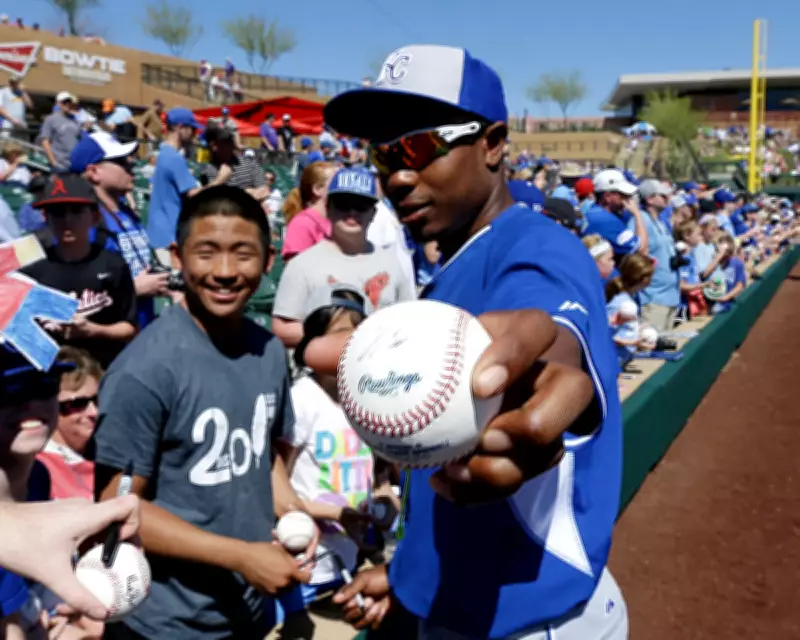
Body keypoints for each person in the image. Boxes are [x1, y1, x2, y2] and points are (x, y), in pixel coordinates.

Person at [323, 44, 625, 639]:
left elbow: (549, 337)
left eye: (417, 146)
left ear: (492, 144)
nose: (397, 176)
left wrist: (552, 372)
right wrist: (410, 575)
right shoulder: (458, 256)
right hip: (462, 596)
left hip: (528, 621)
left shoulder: (537, 247)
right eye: (382, 155)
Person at [93, 186, 315, 639]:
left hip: (249, 610)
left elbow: (260, 453)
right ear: (177, 257)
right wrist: (240, 556)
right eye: (207, 253)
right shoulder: (145, 369)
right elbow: (116, 508)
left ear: (269, 259)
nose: (226, 272)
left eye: (243, 254)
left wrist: (293, 512)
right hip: (168, 624)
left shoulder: (269, 350)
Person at [277, 285, 383, 625]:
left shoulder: (369, 397)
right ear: (312, 341)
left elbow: (377, 474)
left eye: (360, 334)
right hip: (304, 557)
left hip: (349, 554)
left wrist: (383, 503)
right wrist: (337, 512)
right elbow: (278, 484)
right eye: (340, 335)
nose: (352, 345)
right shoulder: (302, 399)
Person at [272, 167, 416, 348]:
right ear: (328, 209)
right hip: (321, 371)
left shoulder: (391, 263)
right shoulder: (302, 264)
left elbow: (409, 320)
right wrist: (340, 338)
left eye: (361, 206)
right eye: (343, 204)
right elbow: (282, 327)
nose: (352, 213)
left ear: (373, 213)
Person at [20, 174, 138, 368]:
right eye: (58, 212)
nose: (67, 219)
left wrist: (92, 330)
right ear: (45, 217)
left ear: (94, 216)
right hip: (50, 377)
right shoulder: (31, 271)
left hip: (103, 370)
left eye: (76, 211)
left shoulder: (112, 264)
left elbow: (129, 328)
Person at [70, 130, 168, 329]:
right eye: (121, 161)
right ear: (94, 172)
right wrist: (133, 289)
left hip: (141, 330)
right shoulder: (83, 223)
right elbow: (74, 291)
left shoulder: (127, 212)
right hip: (109, 341)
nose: (131, 165)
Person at [147, 108, 229, 260]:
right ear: (179, 127)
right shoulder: (173, 157)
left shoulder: (164, 152)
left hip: (162, 234)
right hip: (169, 237)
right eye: (191, 129)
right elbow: (195, 195)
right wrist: (220, 179)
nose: (194, 134)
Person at [34, 346, 103, 501]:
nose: (94, 412)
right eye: (78, 404)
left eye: (97, 400)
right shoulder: (35, 469)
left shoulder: (109, 454)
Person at [635, 179, 681, 332]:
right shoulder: (641, 220)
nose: (667, 198)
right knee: (654, 352)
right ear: (649, 199)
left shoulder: (660, 221)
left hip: (670, 296)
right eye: (663, 195)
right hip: (652, 298)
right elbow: (639, 253)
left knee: (668, 347)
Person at [583, 169, 649, 262]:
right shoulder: (605, 220)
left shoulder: (595, 212)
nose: (628, 200)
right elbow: (641, 250)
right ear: (608, 196)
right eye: (623, 196)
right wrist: (637, 214)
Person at [281, 161, 337, 260]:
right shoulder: (302, 224)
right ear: (317, 189)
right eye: (336, 182)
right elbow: (295, 268)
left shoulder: (337, 221)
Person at [40, 92, 82, 171]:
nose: (67, 104)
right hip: (60, 164)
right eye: (64, 102)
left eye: (69, 102)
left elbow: (79, 140)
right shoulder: (51, 119)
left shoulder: (75, 120)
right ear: (58, 104)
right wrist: (53, 162)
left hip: (74, 163)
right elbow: (45, 142)